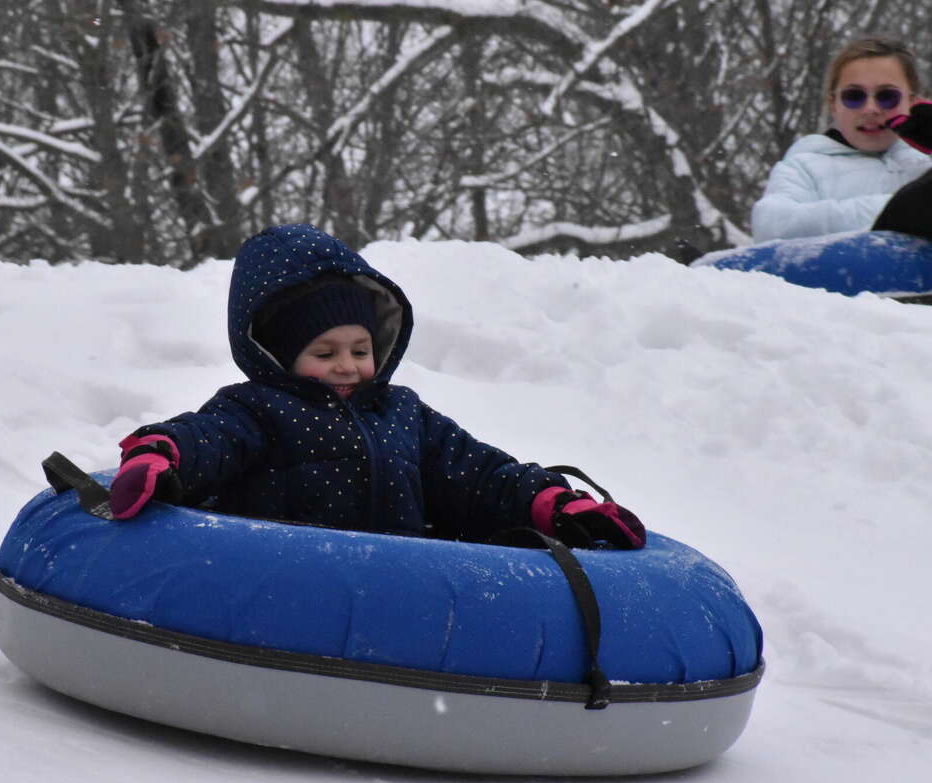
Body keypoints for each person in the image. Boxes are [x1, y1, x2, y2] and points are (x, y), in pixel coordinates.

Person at [108, 223, 645, 551]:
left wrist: (551, 502)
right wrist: (161, 454)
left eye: (360, 351)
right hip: (288, 580)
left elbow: (479, 471)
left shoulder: (404, 414)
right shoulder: (256, 409)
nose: (347, 367)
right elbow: (208, 438)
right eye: (325, 353)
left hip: (402, 586)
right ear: (280, 354)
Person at [750, 36, 932, 244]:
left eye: (887, 96)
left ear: (913, 101)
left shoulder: (925, 162)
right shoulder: (803, 168)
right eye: (854, 96)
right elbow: (771, 226)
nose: (870, 109)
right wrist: (899, 209)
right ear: (833, 105)